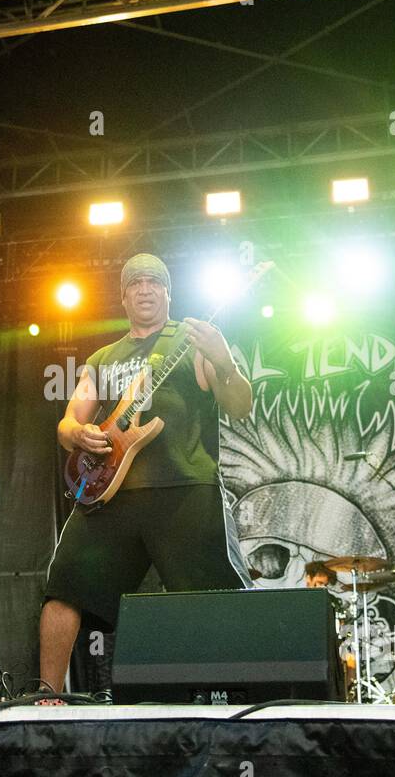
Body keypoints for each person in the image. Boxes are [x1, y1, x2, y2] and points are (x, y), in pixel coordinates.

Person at [39, 253, 253, 694]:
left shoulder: (193, 343)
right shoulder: (102, 356)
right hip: (111, 491)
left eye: (154, 282)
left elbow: (241, 407)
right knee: (63, 587)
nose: (145, 289)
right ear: (123, 296)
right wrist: (80, 433)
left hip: (184, 487)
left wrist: (224, 362)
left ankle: (233, 697)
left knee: (211, 599)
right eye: (135, 282)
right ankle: (48, 695)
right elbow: (66, 423)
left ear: (168, 293)